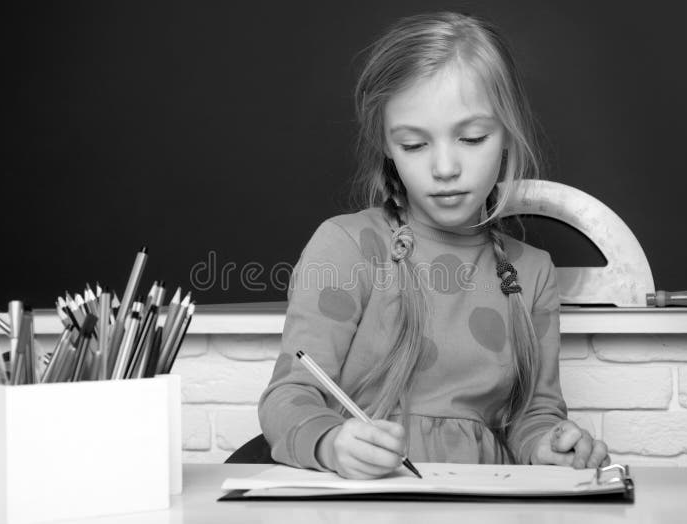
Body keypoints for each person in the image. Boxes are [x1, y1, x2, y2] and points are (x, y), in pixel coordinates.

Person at [258, 11, 610, 479]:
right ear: (385, 143)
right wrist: (330, 443)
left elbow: (533, 416)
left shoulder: (533, 271)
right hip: (366, 506)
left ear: (507, 131)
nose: (445, 167)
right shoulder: (347, 246)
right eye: (414, 145)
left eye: (472, 138)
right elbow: (289, 396)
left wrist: (550, 445)